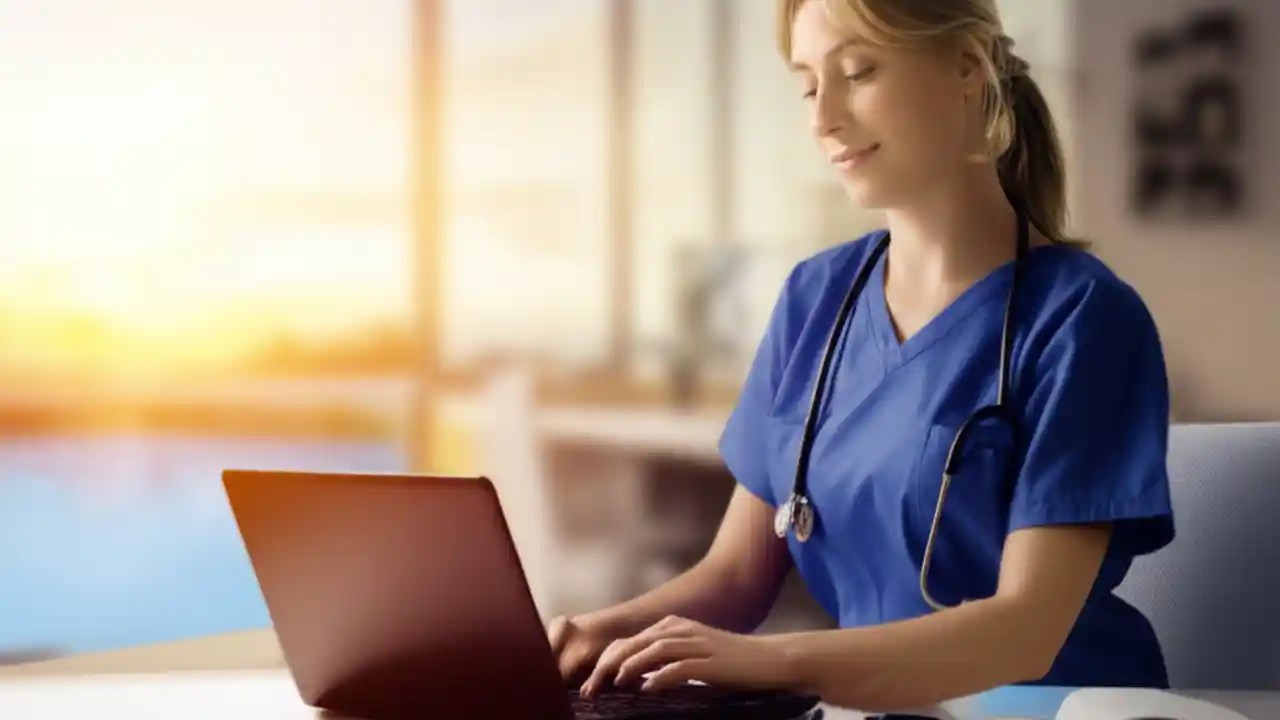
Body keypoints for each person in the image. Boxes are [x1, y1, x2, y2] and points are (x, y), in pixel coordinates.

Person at [546, 0, 1175, 712]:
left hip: (1052, 709)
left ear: (967, 69)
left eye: (857, 73)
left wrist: (770, 661)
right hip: (871, 709)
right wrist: (596, 636)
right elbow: (734, 578)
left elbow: (1024, 632)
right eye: (810, 86)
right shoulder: (816, 298)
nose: (823, 119)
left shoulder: (1082, 319)